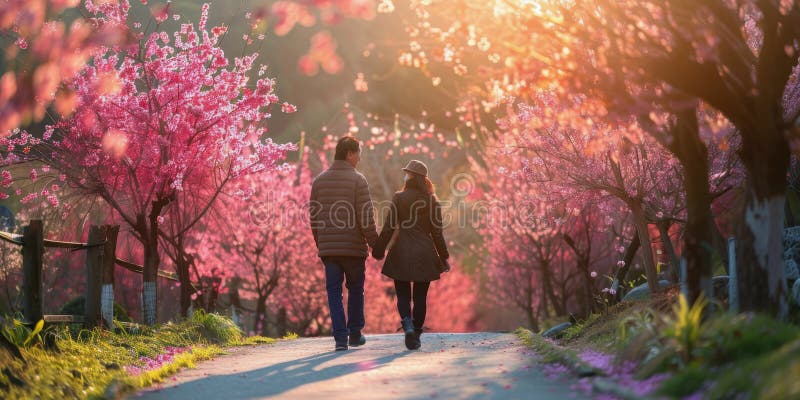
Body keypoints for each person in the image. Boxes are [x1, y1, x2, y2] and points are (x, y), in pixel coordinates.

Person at [309, 136, 379, 351]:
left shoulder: (319, 181)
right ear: (349, 153)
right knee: (356, 289)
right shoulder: (358, 180)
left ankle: (340, 338)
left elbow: (314, 217)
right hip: (353, 249)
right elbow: (366, 215)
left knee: (333, 292)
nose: (359, 158)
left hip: (330, 250)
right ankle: (355, 334)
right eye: (358, 153)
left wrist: (322, 243)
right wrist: (375, 243)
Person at [372, 160, 451, 350]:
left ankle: (407, 324)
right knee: (421, 297)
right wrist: (443, 257)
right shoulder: (432, 201)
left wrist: (379, 249)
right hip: (425, 253)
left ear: (411, 177)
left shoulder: (399, 198)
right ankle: (415, 333)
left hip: (401, 252)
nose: (405, 176)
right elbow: (437, 233)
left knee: (403, 295)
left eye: (407, 173)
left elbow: (390, 226)